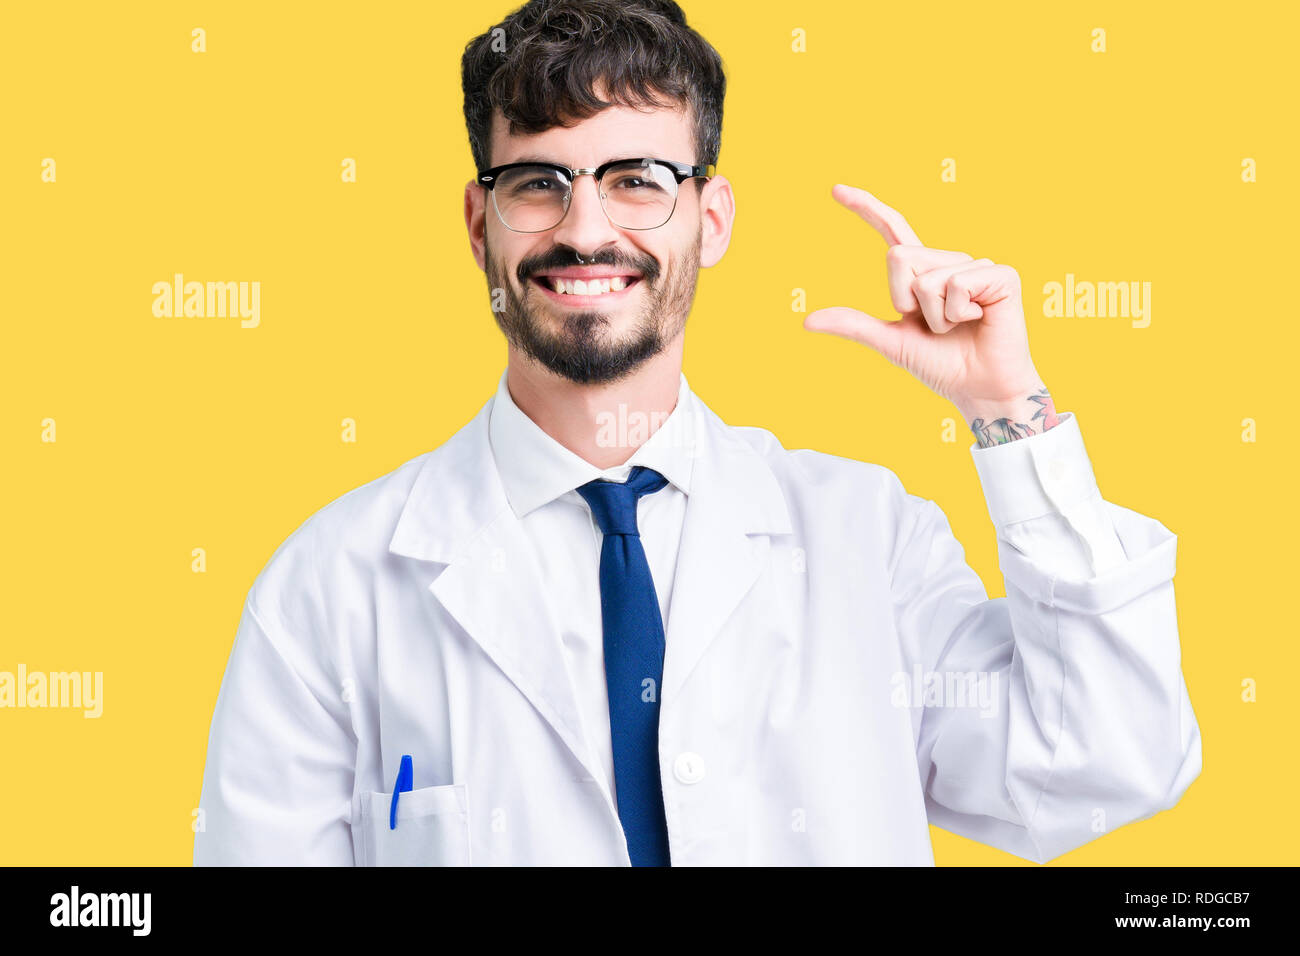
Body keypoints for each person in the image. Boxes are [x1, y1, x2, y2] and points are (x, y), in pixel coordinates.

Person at [194, 0, 1200, 866]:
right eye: (537, 182)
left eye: (637, 179)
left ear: (710, 218)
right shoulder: (328, 587)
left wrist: (1009, 411)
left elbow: (1108, 761)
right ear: (477, 222)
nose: (585, 229)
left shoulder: (865, 540)